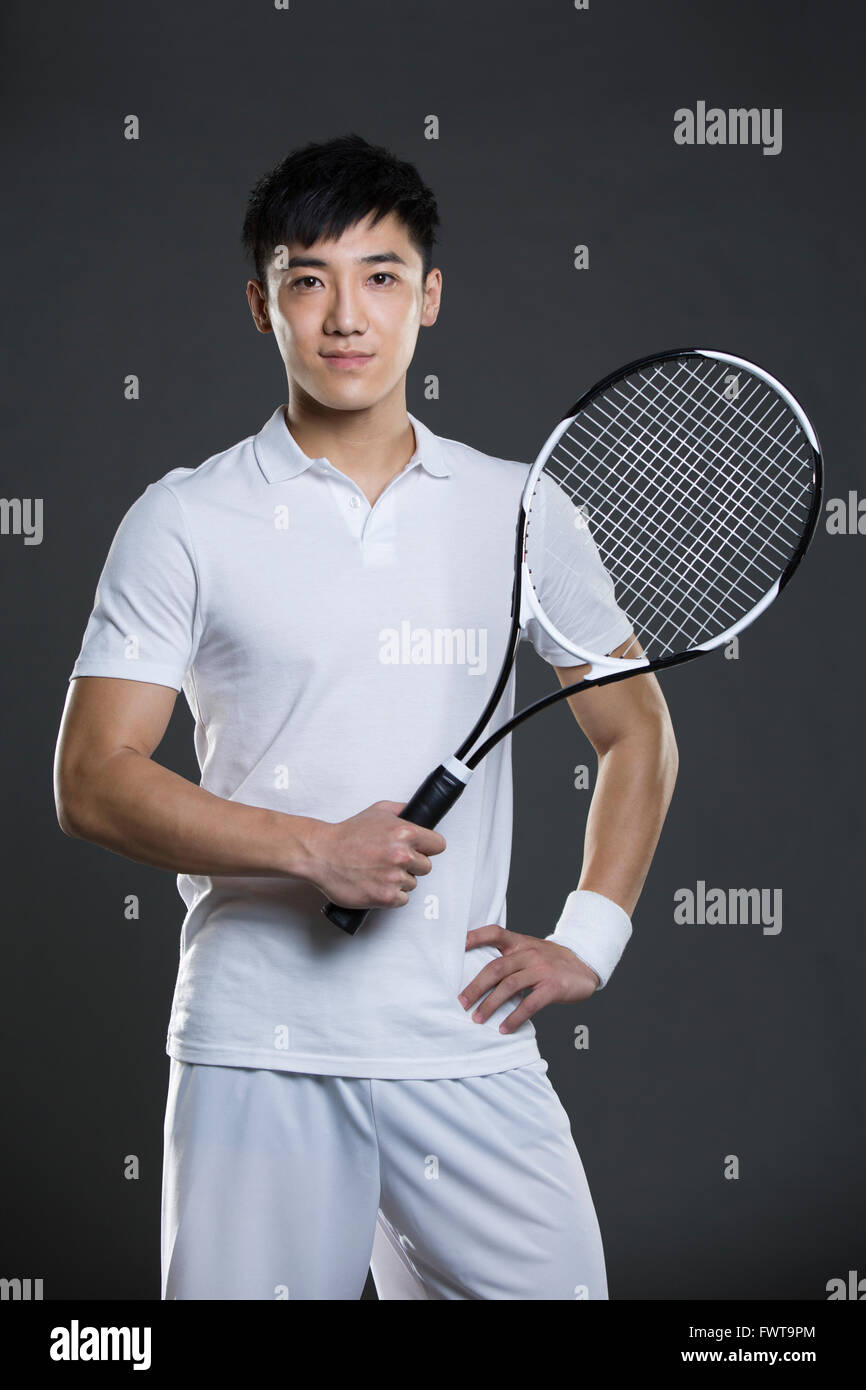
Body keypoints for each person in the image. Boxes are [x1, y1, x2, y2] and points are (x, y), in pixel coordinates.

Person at [53, 133, 678, 1300]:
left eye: (381, 276)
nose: (347, 315)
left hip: (463, 1043)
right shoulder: (182, 519)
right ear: (262, 305)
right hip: (258, 1052)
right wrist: (314, 850)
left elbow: (633, 728)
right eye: (309, 278)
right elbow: (92, 778)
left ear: (428, 297)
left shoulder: (522, 511)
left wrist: (589, 936)